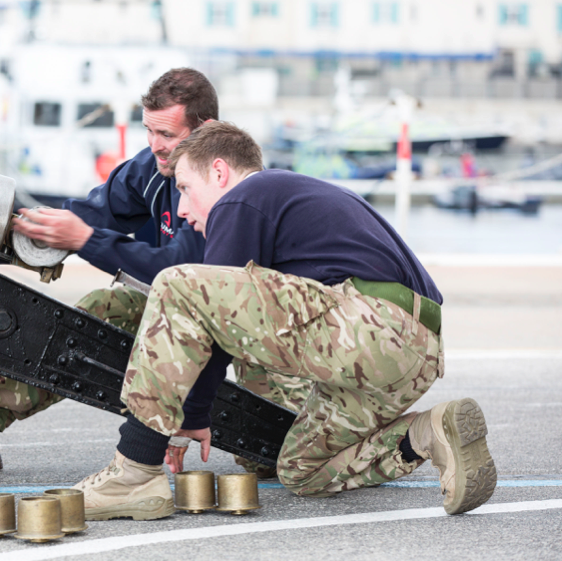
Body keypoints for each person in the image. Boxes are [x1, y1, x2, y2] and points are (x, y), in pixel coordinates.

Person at [74, 121, 497, 521]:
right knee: (302, 469)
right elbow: (235, 322)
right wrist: (196, 413)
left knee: (178, 283)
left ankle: (134, 471)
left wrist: (193, 415)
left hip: (371, 326)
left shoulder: (245, 196)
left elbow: (207, 314)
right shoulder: (288, 198)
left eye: (184, 187)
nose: (182, 208)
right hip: (412, 355)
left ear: (219, 172)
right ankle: (426, 433)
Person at [0, 68, 218, 478]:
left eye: (168, 135)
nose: (156, 146)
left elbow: (177, 270)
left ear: (204, 130)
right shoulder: (152, 170)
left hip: (243, 329)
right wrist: (13, 229)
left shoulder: (221, 181)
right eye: (150, 131)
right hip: (179, 310)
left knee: (287, 463)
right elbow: (89, 213)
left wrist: (85, 239)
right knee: (98, 311)